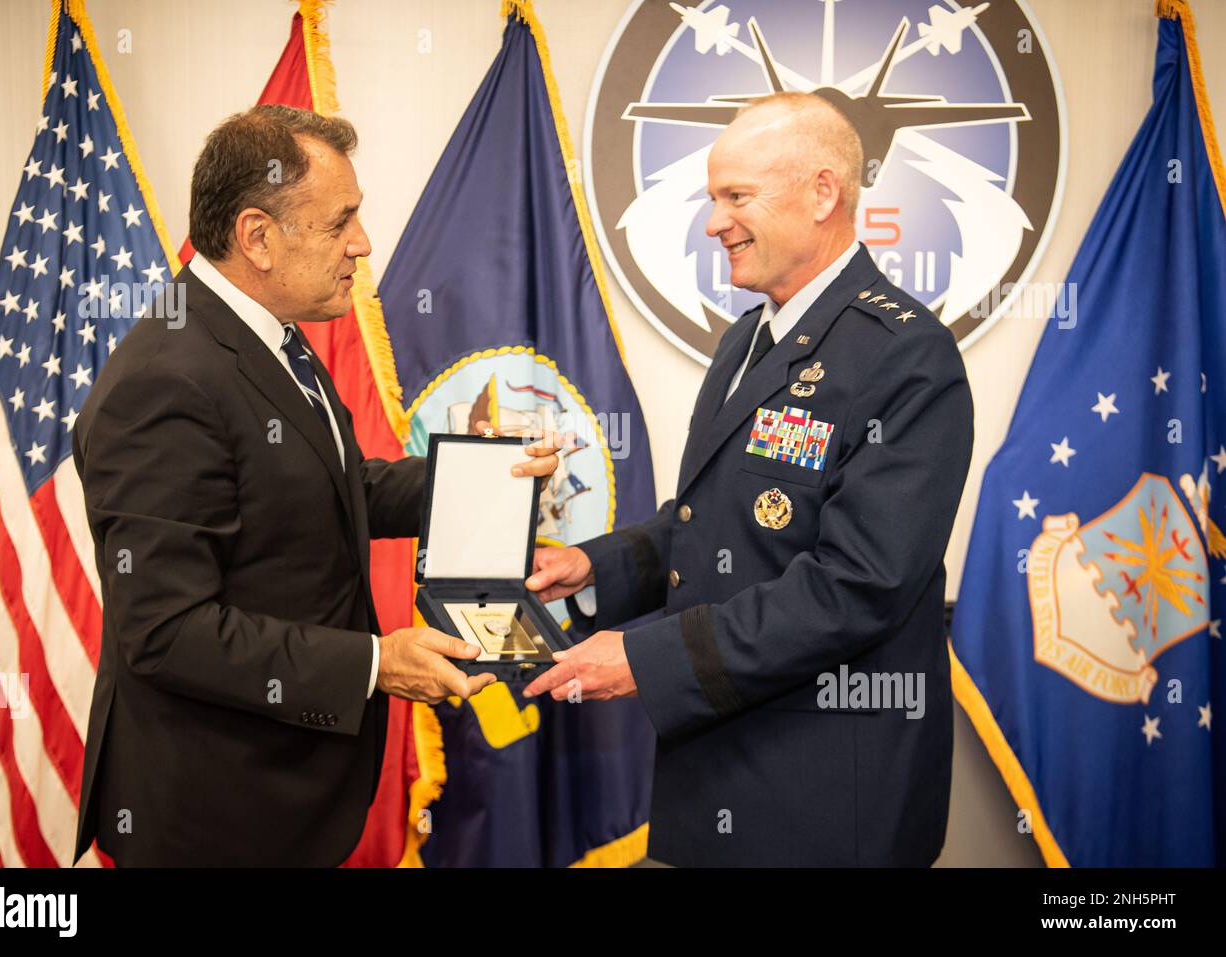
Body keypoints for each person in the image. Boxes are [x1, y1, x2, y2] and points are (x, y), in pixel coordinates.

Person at [72, 105, 560, 866]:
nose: (362, 245)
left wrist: (481, 474)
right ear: (258, 237)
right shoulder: (166, 380)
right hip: (214, 815)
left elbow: (324, 486)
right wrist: (374, 662)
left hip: (284, 799)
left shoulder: (265, 332)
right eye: (342, 223)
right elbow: (167, 631)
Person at [523, 93, 974, 866]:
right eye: (713, 198)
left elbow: (859, 585)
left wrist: (646, 659)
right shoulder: (748, 338)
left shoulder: (906, 355)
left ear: (823, 193)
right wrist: (594, 567)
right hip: (720, 763)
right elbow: (712, 519)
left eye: (738, 196)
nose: (715, 221)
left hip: (825, 795)